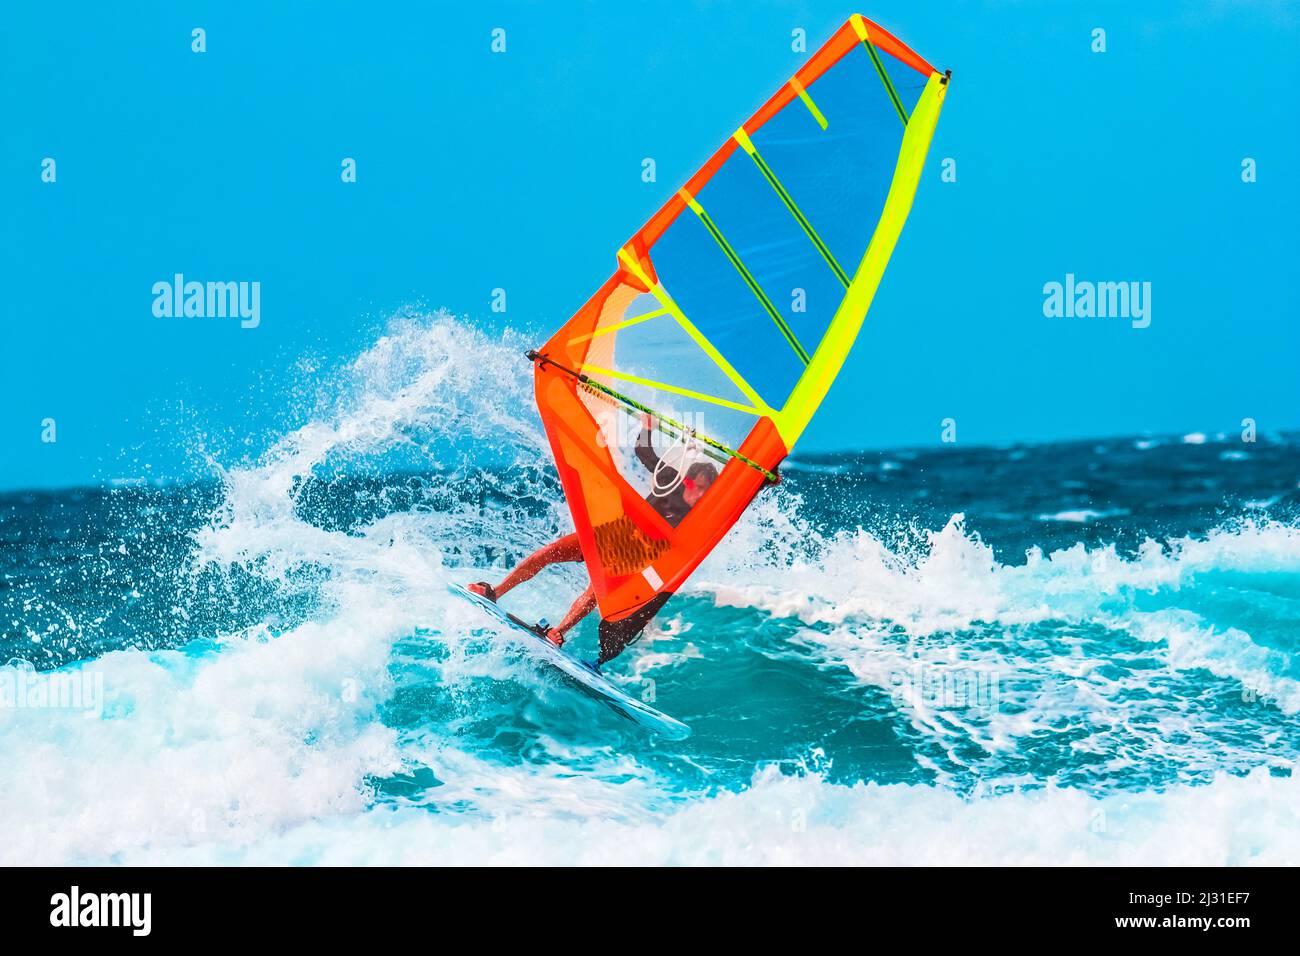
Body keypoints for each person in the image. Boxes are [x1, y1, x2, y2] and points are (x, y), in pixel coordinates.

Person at [469, 413, 718, 655]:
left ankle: (558, 632)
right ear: (688, 481)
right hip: (617, 531)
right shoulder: (670, 478)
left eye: (705, 492)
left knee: (594, 593)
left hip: (640, 553)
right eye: (699, 488)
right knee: (549, 553)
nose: (699, 495)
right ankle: (496, 592)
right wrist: (648, 427)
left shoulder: (699, 515)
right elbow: (644, 453)